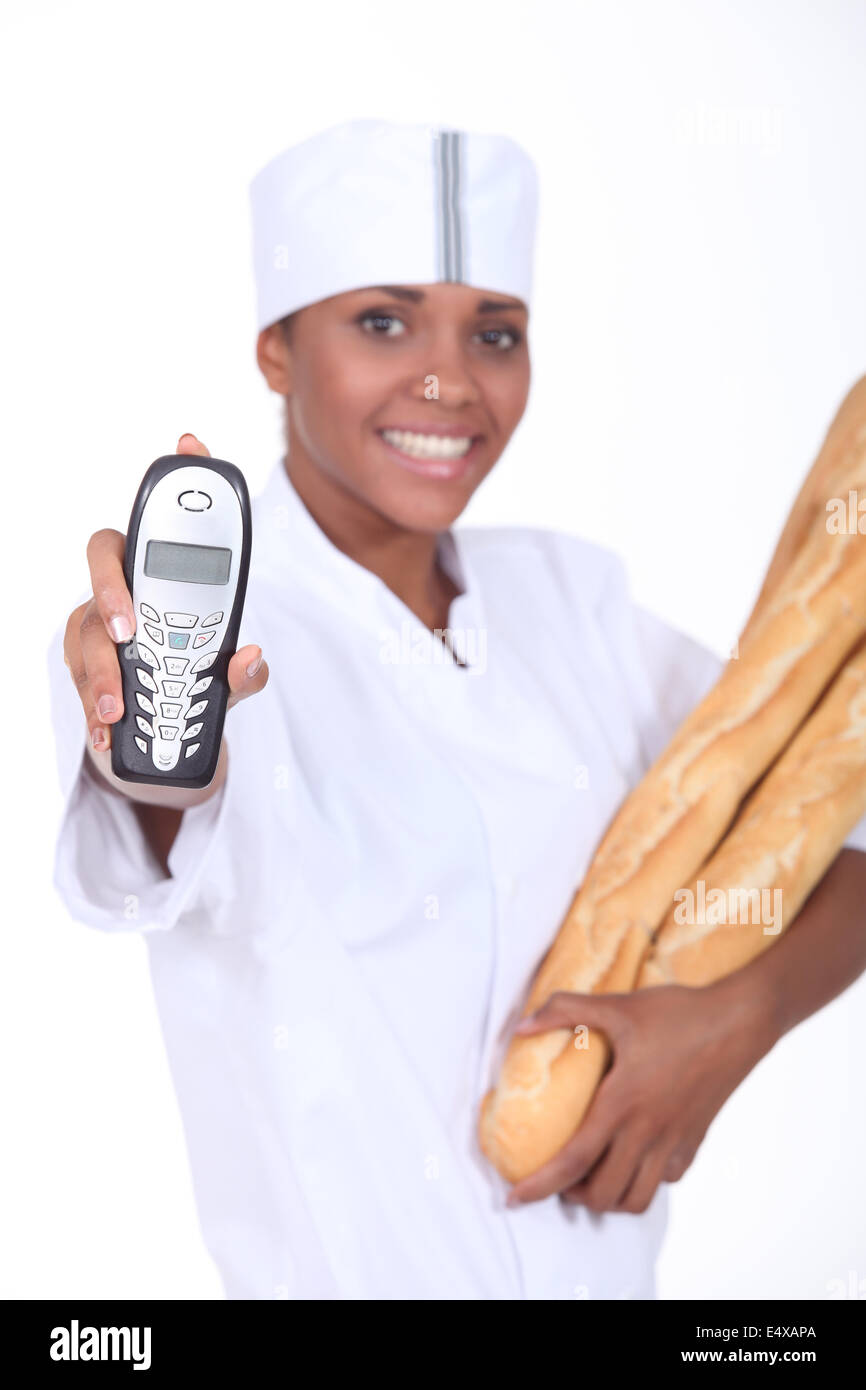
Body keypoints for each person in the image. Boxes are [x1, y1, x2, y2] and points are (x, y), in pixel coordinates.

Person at [48, 118, 866, 1300]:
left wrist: (733, 1022)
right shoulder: (217, 620)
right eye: (381, 322)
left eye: (494, 334)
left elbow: (830, 800)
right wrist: (147, 726)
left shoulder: (571, 599)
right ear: (275, 351)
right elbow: (167, 800)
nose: (447, 381)